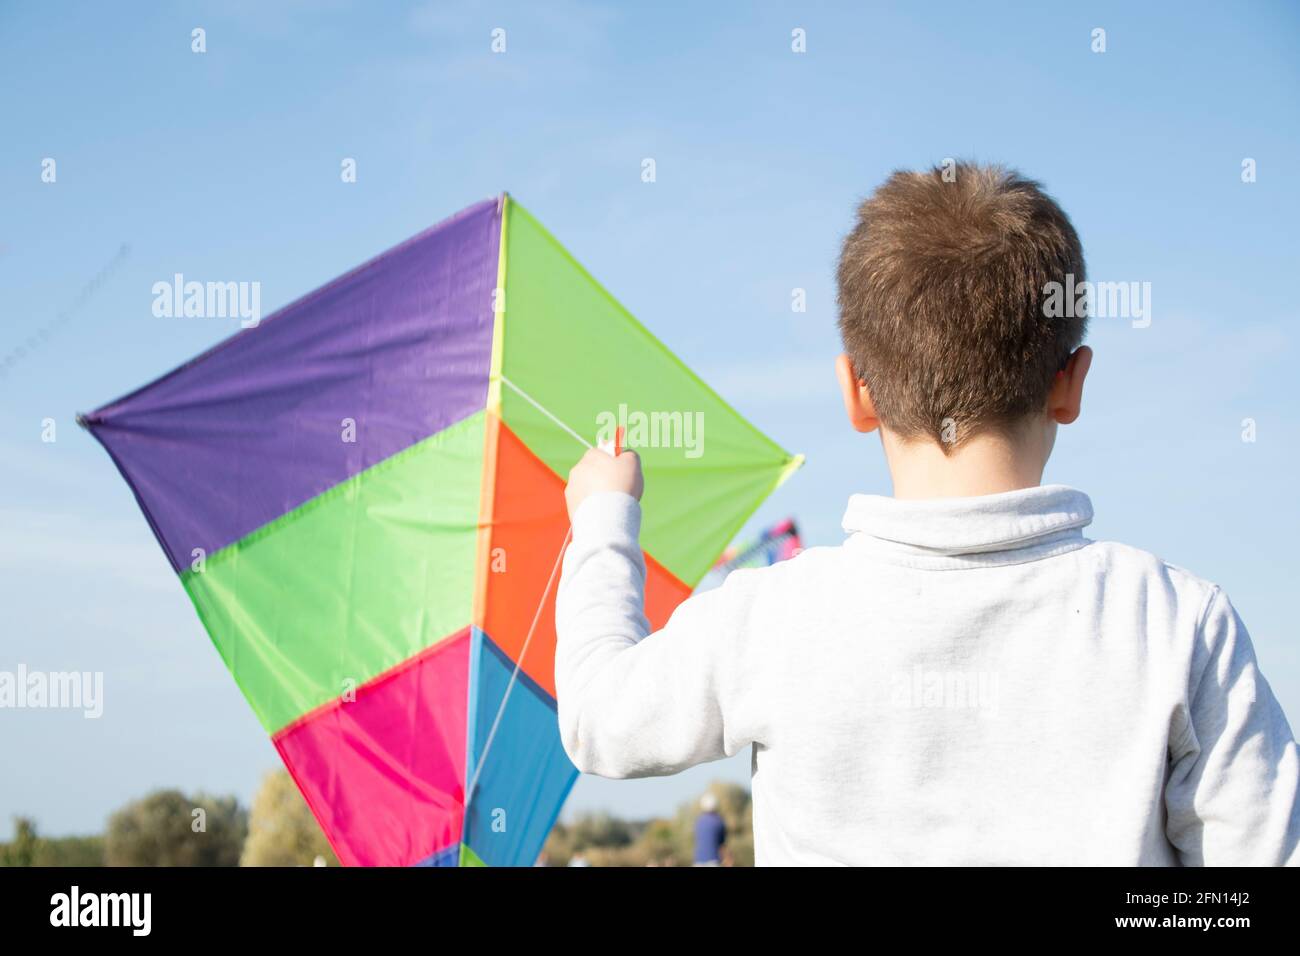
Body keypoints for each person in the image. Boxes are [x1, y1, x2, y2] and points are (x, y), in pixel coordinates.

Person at [554, 162, 1300, 866]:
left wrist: (603, 519)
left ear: (856, 392)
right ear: (1070, 384)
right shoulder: (1176, 622)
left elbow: (597, 720)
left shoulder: (772, 619)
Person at [693, 793, 727, 866]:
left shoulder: (699, 821)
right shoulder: (719, 821)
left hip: (698, 861)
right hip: (713, 860)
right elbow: (722, 844)